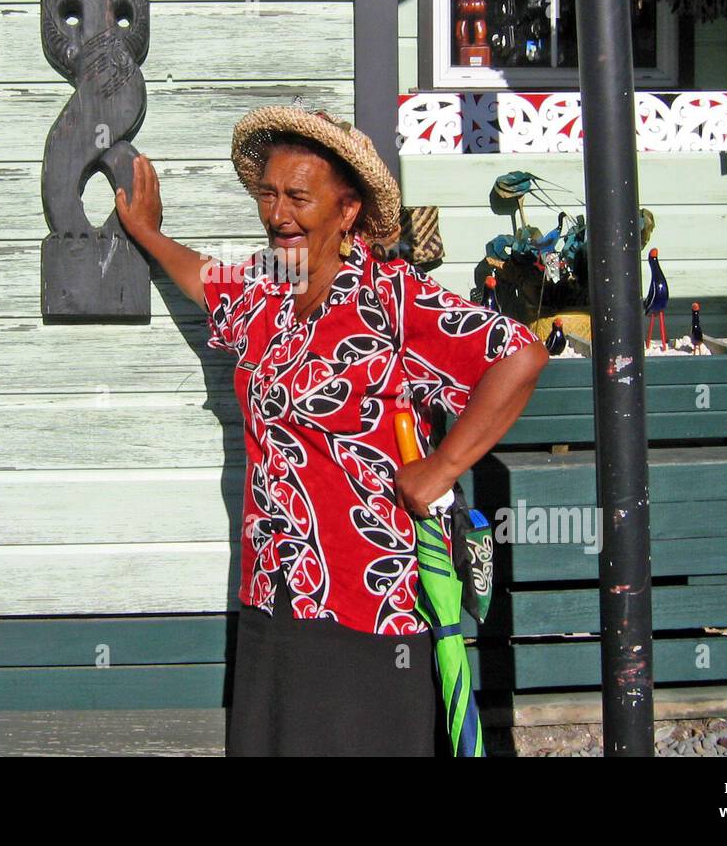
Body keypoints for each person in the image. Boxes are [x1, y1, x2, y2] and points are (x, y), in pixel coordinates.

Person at [114, 104, 549, 756]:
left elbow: (519, 356)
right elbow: (203, 278)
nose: (276, 213)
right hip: (275, 591)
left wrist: (443, 466)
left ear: (346, 212)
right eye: (267, 193)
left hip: (369, 600)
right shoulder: (264, 289)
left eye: (298, 197)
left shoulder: (392, 298)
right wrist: (147, 234)